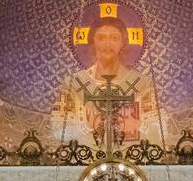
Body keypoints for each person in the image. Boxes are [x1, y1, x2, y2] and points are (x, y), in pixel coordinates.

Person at [57, 16, 157, 146]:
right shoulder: (74, 83)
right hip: (86, 160)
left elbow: (161, 131)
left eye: (114, 38)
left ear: (123, 43)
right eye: (101, 38)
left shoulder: (141, 83)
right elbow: (57, 131)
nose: (108, 44)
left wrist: (138, 125)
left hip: (130, 159)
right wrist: (86, 126)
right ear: (92, 41)